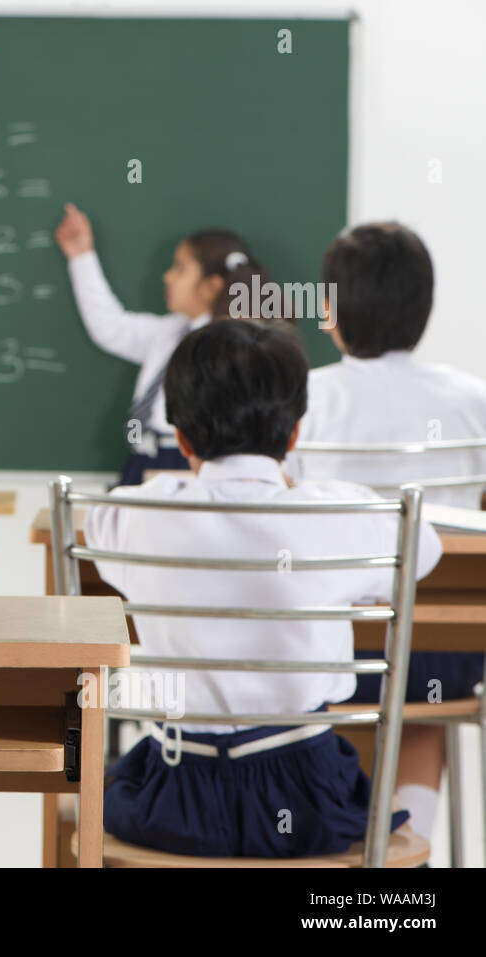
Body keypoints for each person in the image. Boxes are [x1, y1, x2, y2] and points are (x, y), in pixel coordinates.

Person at [85, 318, 442, 857]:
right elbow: (428, 547)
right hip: (305, 796)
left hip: (173, 796)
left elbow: (94, 520)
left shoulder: (135, 515)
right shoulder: (342, 516)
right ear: (296, 433)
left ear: (180, 437)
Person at [288, 221, 486, 842]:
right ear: (423, 308)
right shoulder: (471, 399)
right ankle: (409, 851)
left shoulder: (303, 398)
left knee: (333, 667)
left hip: (332, 646)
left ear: (332, 311)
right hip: (441, 649)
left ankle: (342, 842)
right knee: (419, 696)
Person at [55, 202, 273, 485]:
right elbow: (110, 327)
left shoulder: (233, 347)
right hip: (146, 456)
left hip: (192, 463)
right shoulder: (170, 333)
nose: (167, 276)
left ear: (212, 286)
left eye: (180, 269)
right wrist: (81, 256)